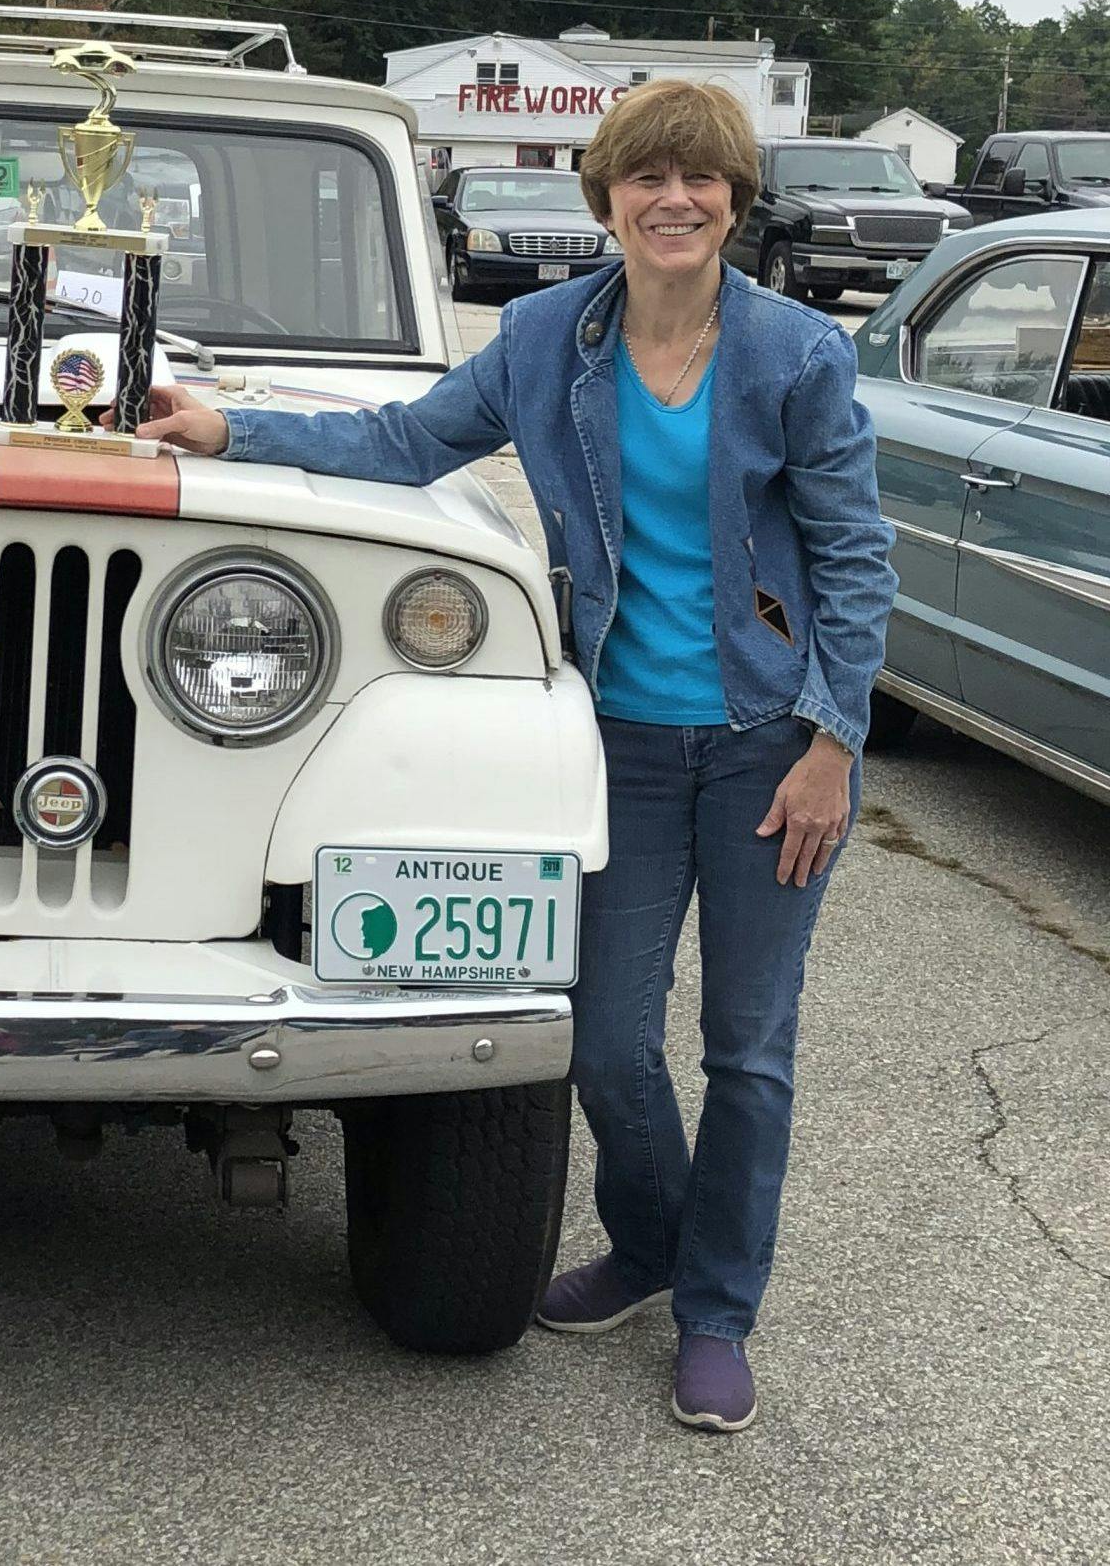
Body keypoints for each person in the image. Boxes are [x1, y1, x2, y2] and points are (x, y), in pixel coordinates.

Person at [124, 81, 895, 1434]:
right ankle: (651, 1244)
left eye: (702, 179)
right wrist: (227, 429)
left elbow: (854, 554)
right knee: (603, 1043)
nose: (676, 200)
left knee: (750, 1051)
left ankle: (717, 1311)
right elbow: (403, 443)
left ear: (733, 198)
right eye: (647, 179)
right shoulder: (548, 339)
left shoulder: (792, 357)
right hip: (625, 746)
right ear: (605, 198)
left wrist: (834, 739)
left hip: (774, 746)